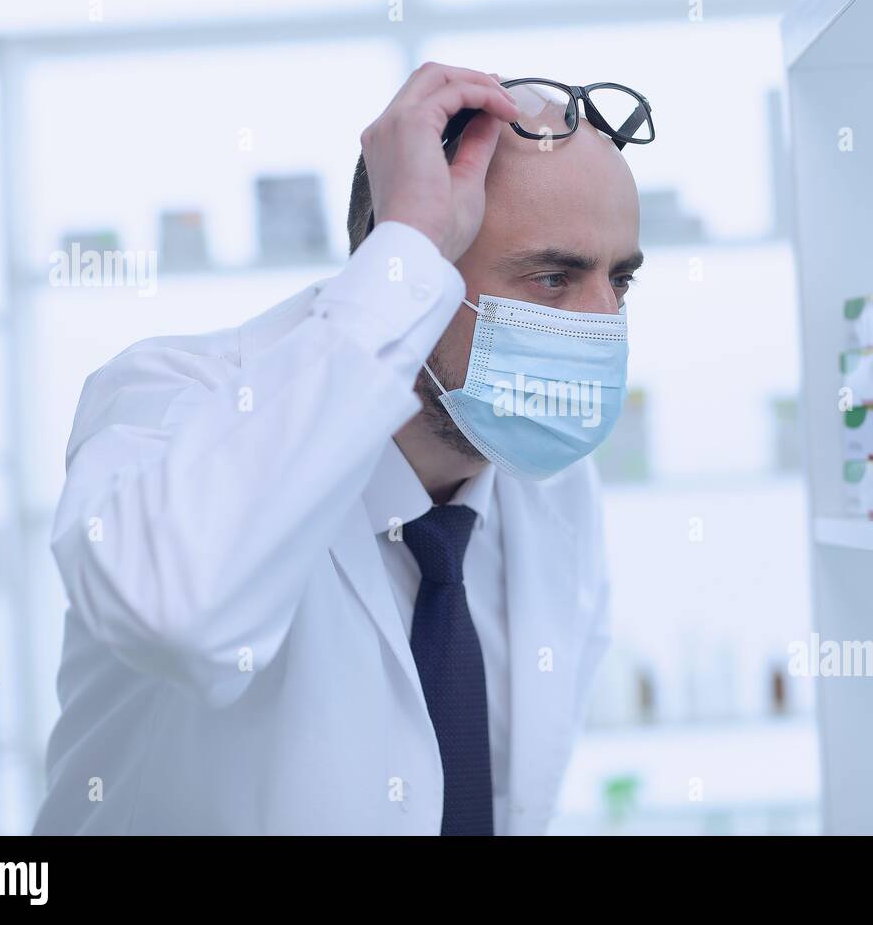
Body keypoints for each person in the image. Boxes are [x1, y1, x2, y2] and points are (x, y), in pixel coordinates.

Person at [34, 63, 647, 834]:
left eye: (619, 282)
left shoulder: (546, 477)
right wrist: (403, 252)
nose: (602, 323)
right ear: (407, 269)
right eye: (554, 278)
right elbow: (178, 615)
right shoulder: (172, 399)